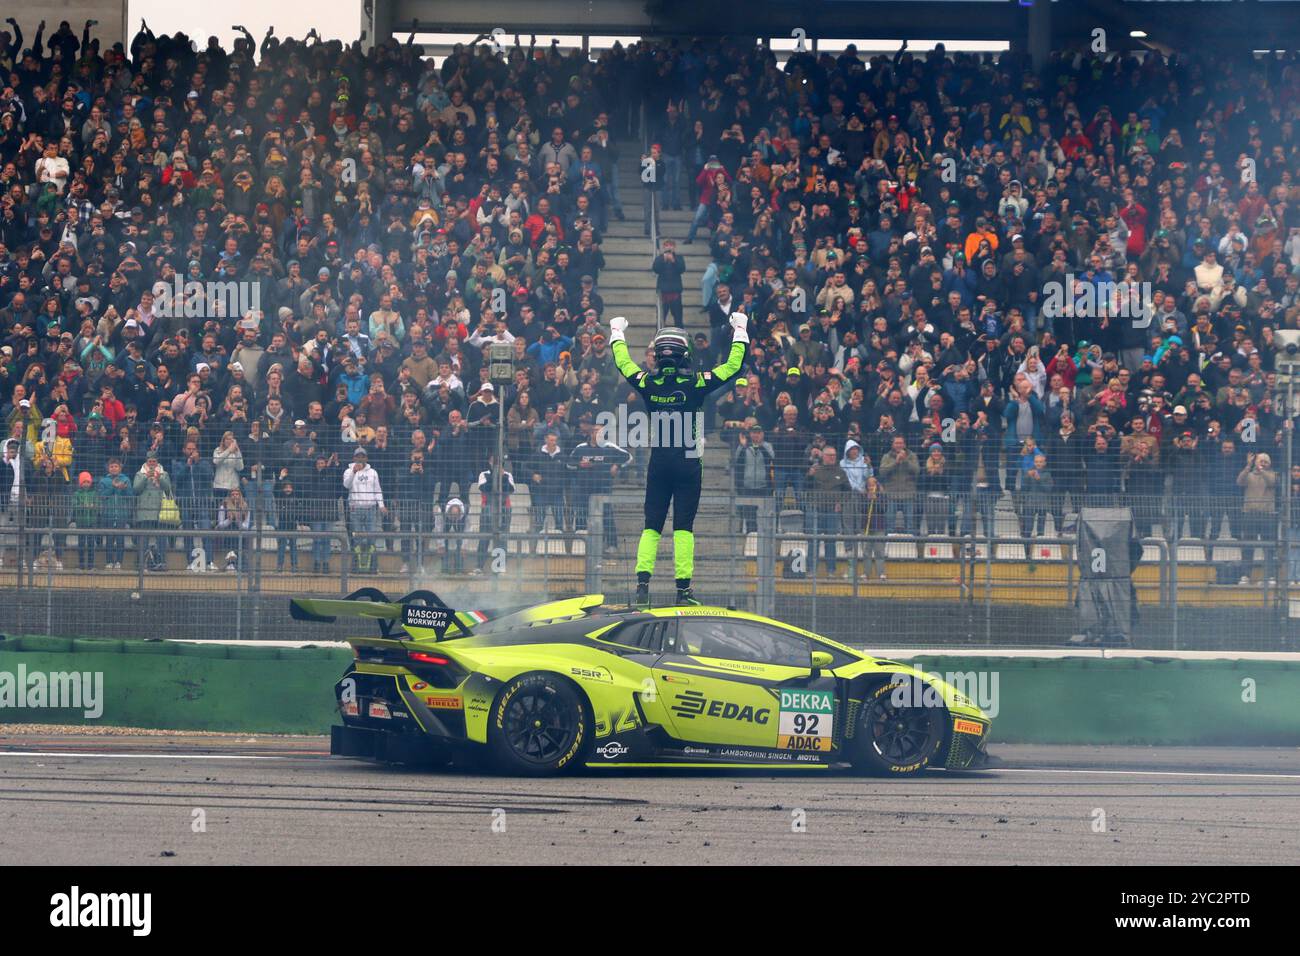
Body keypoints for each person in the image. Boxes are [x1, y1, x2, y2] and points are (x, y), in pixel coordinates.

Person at [610, 311, 748, 607]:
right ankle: (683, 592)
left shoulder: (647, 383)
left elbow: (622, 363)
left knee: (651, 526)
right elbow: (734, 366)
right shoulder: (697, 383)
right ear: (685, 355)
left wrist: (616, 331)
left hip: (658, 464)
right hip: (688, 465)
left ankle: (642, 587)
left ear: (657, 356)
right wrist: (740, 328)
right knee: (683, 528)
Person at [343, 447, 386, 573]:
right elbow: (346, 485)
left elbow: (377, 490)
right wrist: (353, 472)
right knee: (357, 538)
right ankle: (356, 566)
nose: (360, 458)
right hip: (355, 509)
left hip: (371, 509)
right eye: (358, 456)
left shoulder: (373, 472)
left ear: (366, 458)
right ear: (354, 458)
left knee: (371, 537)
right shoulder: (348, 471)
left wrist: (381, 505)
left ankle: (373, 566)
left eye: (363, 456)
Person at [70, 471, 99, 571]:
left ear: (90, 482)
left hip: (92, 522)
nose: (86, 484)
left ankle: (91, 565)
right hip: (81, 522)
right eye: (84, 482)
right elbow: (74, 506)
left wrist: (94, 507)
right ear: (80, 483)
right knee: (81, 545)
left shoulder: (94, 493)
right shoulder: (77, 493)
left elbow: (98, 506)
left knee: (91, 545)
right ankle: (81, 565)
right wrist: (83, 506)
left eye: (88, 482)